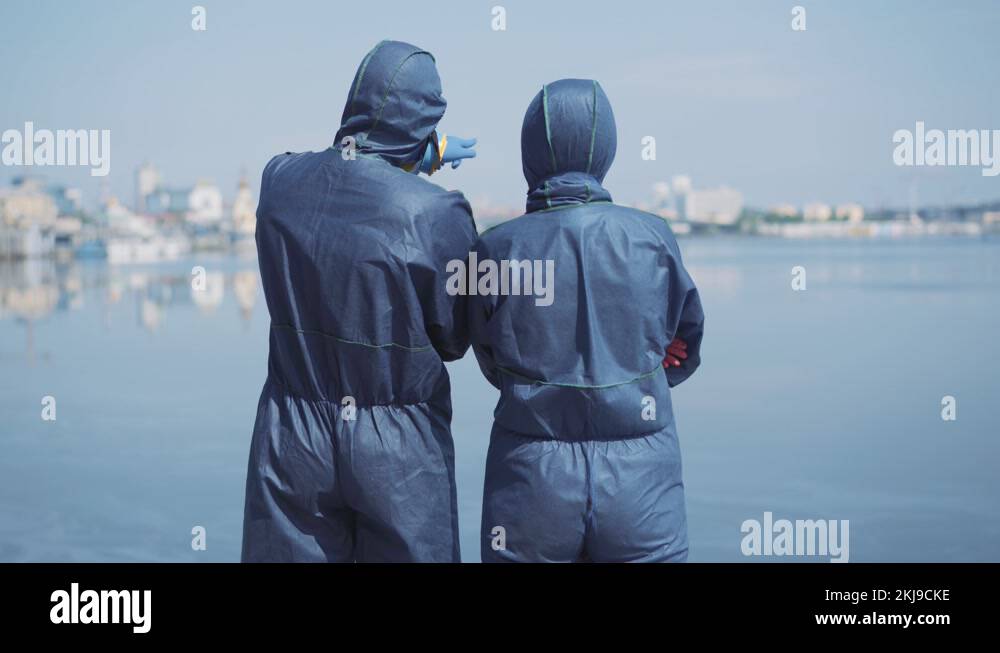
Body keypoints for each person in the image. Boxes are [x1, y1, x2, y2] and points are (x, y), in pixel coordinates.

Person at [242, 40, 477, 562]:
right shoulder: (438, 214)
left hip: (292, 430)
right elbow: (455, 336)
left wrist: (414, 157)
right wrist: (423, 164)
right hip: (399, 447)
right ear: (427, 118)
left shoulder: (277, 182)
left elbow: (345, 173)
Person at [470, 78, 704, 562]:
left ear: (529, 149)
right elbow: (685, 343)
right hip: (642, 479)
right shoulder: (653, 236)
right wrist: (637, 373)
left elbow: (489, 358)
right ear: (607, 147)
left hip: (530, 475)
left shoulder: (496, 248)